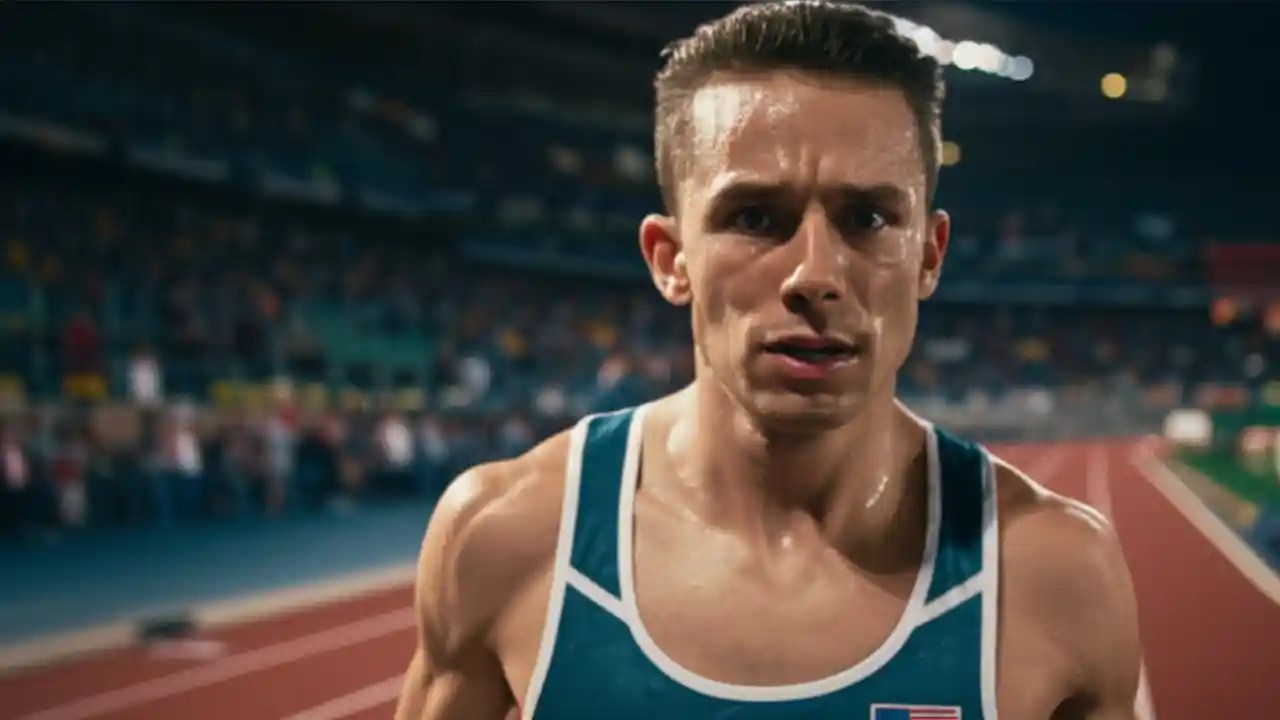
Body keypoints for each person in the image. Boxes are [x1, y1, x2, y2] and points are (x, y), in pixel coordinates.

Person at [395, 3, 1142, 718]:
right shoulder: (508, 535)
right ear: (670, 258)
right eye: (755, 218)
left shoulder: (1056, 573)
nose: (814, 273)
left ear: (928, 254)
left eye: (869, 218)